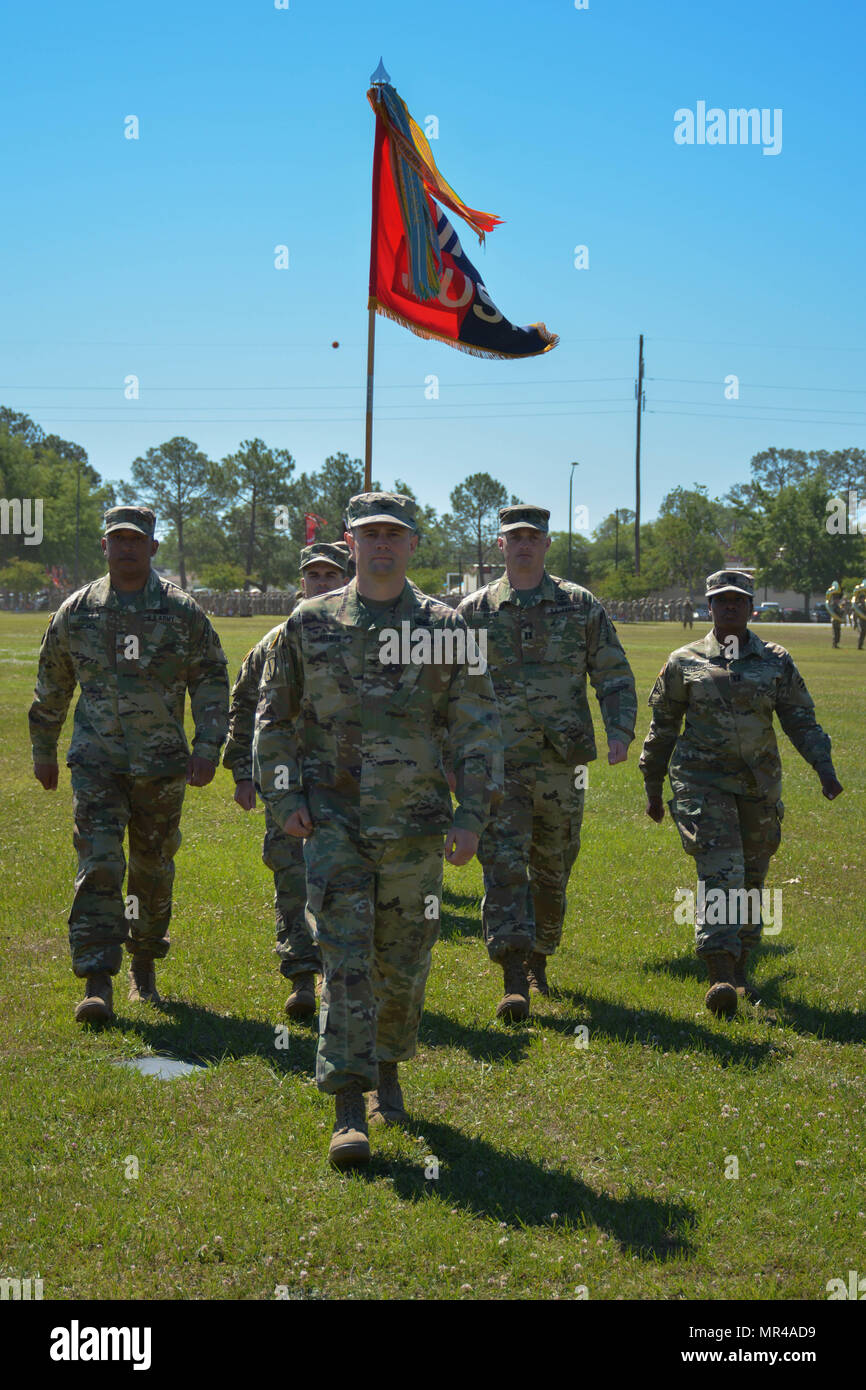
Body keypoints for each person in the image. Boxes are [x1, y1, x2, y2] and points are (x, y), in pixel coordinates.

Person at [254, 493, 502, 1168]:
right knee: (344, 955)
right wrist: (285, 801)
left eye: (394, 534)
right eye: (370, 535)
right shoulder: (308, 624)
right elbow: (273, 721)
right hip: (334, 819)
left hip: (416, 823)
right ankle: (346, 1104)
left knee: (404, 957)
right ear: (351, 542)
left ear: (414, 543)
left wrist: (472, 815)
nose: (382, 545)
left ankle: (389, 1065)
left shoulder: (446, 627)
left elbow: (476, 728)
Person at [29, 506, 229, 1022]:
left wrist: (208, 744)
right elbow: (53, 681)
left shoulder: (183, 613)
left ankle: (144, 963)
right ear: (104, 546)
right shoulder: (78, 611)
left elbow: (210, 678)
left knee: (152, 869)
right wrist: (43, 747)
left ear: (152, 549)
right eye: (117, 540)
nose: (126, 549)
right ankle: (98, 978)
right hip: (97, 763)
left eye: (135, 541)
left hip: (162, 767)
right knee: (98, 863)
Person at [457, 505, 637, 1019]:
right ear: (500, 545)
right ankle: (514, 975)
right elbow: (448, 688)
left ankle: (540, 955)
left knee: (553, 870)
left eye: (534, 537)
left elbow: (614, 673)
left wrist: (619, 729)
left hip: (562, 764)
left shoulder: (579, 606)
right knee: (504, 865)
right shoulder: (474, 612)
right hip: (498, 763)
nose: (524, 545)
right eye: (515, 537)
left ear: (548, 544)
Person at [640, 570, 843, 1015]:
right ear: (708, 607)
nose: (729, 607)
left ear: (751, 607)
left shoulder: (776, 660)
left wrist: (824, 769)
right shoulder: (683, 661)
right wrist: (653, 785)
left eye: (738, 600)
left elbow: (800, 719)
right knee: (720, 871)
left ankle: (743, 970)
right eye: (720, 600)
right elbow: (662, 729)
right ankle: (719, 972)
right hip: (701, 783)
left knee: (753, 877)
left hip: (759, 785)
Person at [223, 541, 351, 1017]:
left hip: (345, 786)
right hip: (287, 783)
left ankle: (339, 978)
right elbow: (243, 706)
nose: (321, 582)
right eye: (313, 575)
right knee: (291, 878)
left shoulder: (362, 637)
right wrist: (241, 772)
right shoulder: (275, 641)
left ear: (345, 579)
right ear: (302, 582)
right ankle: (301, 976)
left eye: (330, 575)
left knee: (343, 884)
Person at [826, 582, 845, 648]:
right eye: (836, 599)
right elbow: (837, 612)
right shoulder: (833, 605)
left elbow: (841, 612)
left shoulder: (837, 605)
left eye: (837, 599)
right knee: (835, 633)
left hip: (838, 621)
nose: (837, 600)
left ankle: (836, 644)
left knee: (838, 633)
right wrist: (841, 609)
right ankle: (834, 644)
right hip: (835, 620)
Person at [851, 580, 866, 650]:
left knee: (863, 634)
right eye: (862, 598)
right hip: (861, 621)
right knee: (862, 633)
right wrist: (855, 623)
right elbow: (855, 614)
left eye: (864, 598)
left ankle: (860, 645)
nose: (863, 600)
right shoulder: (859, 606)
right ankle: (859, 646)